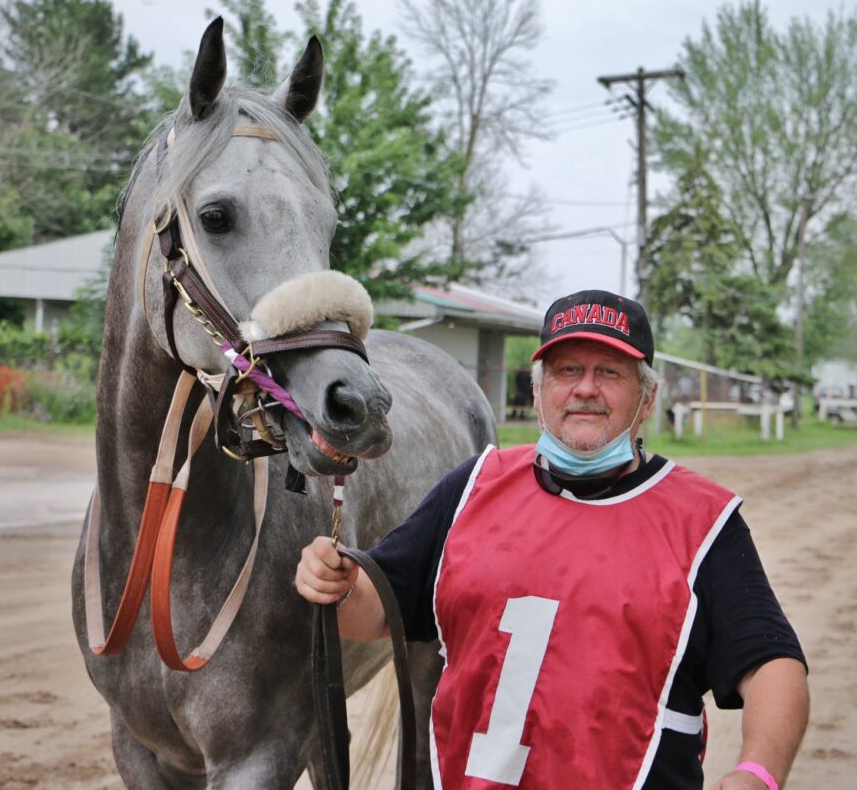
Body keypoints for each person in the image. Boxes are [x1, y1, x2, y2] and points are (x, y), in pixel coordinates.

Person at [296, 290, 810, 790]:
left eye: (608, 372)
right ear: (539, 391)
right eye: (567, 371)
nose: (585, 388)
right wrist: (337, 585)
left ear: (648, 397)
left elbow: (771, 665)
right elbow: (378, 611)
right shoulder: (474, 486)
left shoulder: (703, 521)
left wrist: (758, 772)